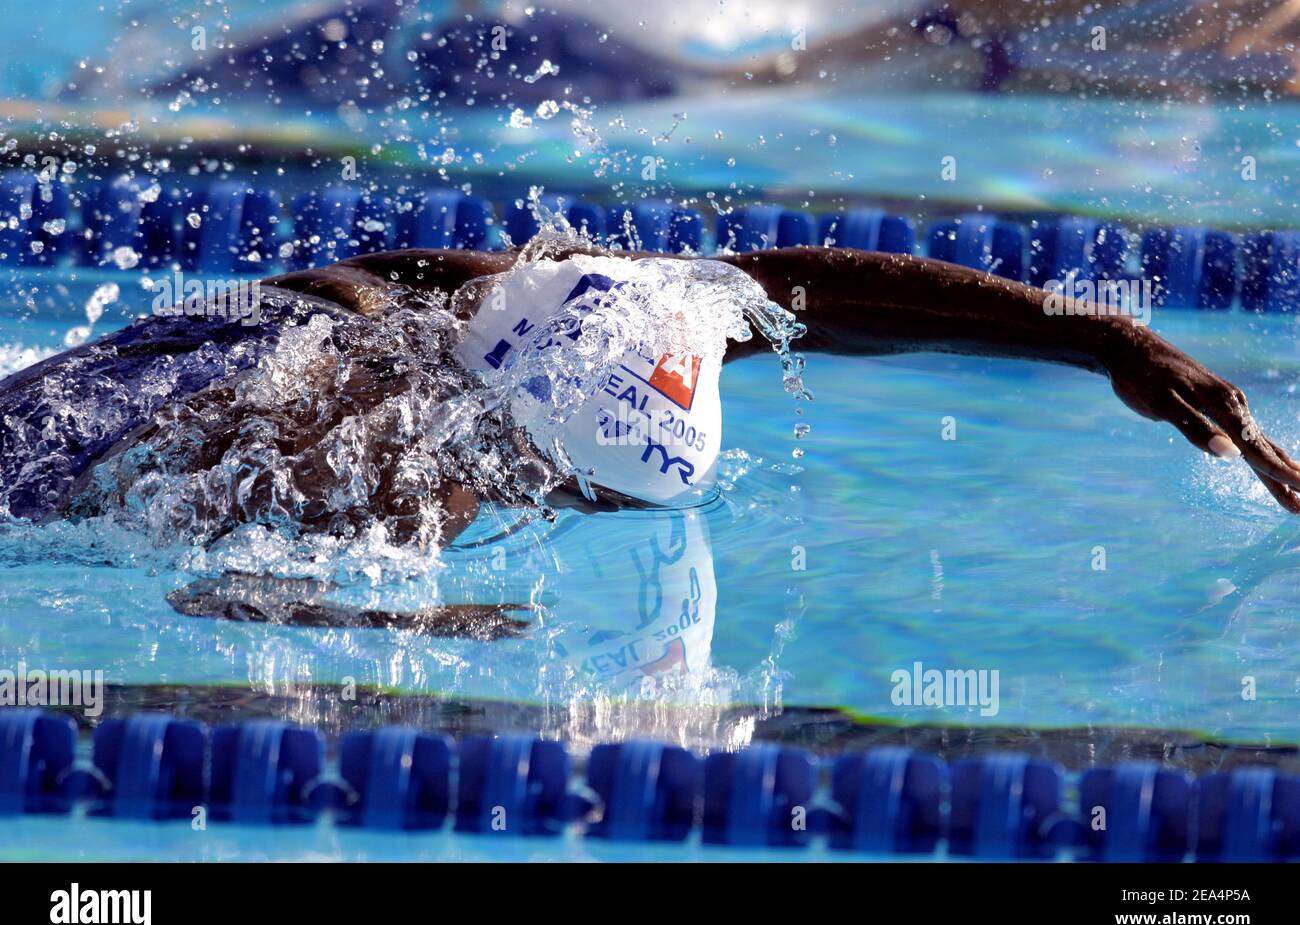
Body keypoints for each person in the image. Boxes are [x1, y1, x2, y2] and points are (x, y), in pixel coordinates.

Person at [4, 241, 1300, 635]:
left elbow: (772, 291)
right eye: (591, 502)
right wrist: (389, 622)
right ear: (544, 465)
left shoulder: (503, 306)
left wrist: (1098, 337)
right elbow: (190, 591)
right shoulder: (392, 463)